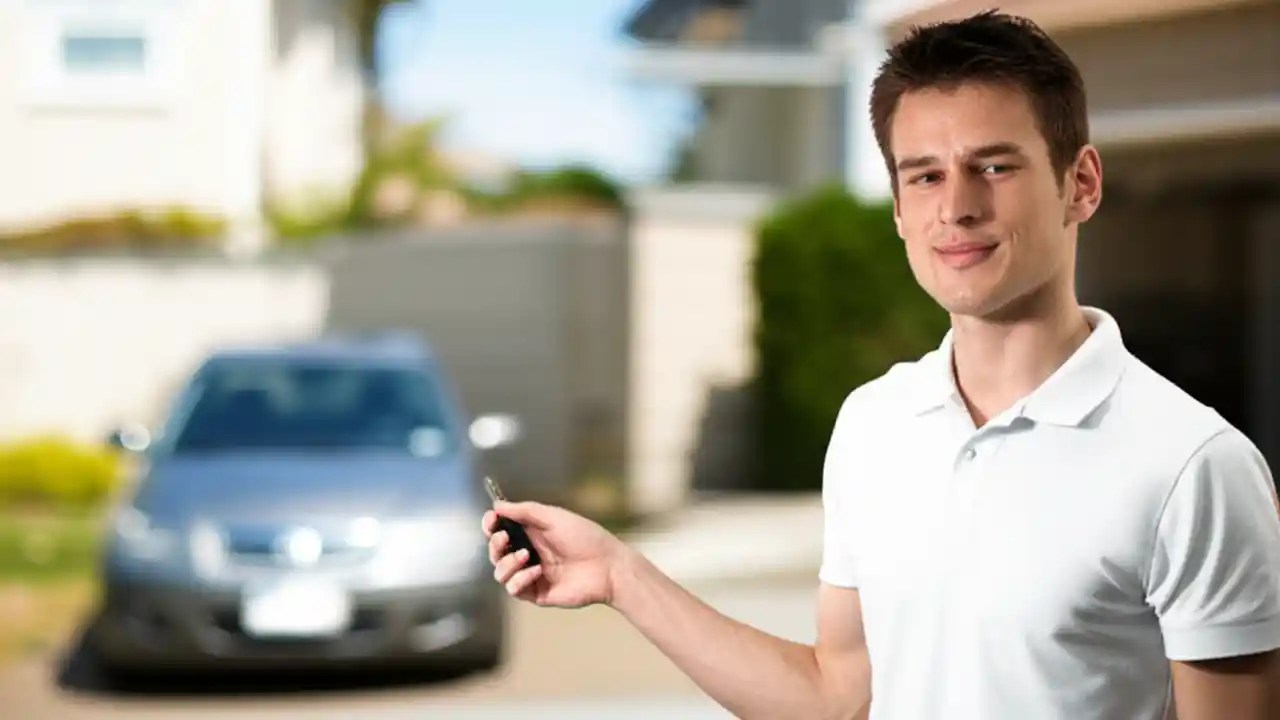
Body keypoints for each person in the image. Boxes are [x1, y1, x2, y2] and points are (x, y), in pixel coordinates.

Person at [481, 11, 1280, 719]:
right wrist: (620, 575)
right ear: (898, 208)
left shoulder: (1194, 467)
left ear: (1081, 184)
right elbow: (838, 699)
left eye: (994, 167)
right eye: (924, 175)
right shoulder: (874, 423)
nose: (955, 206)